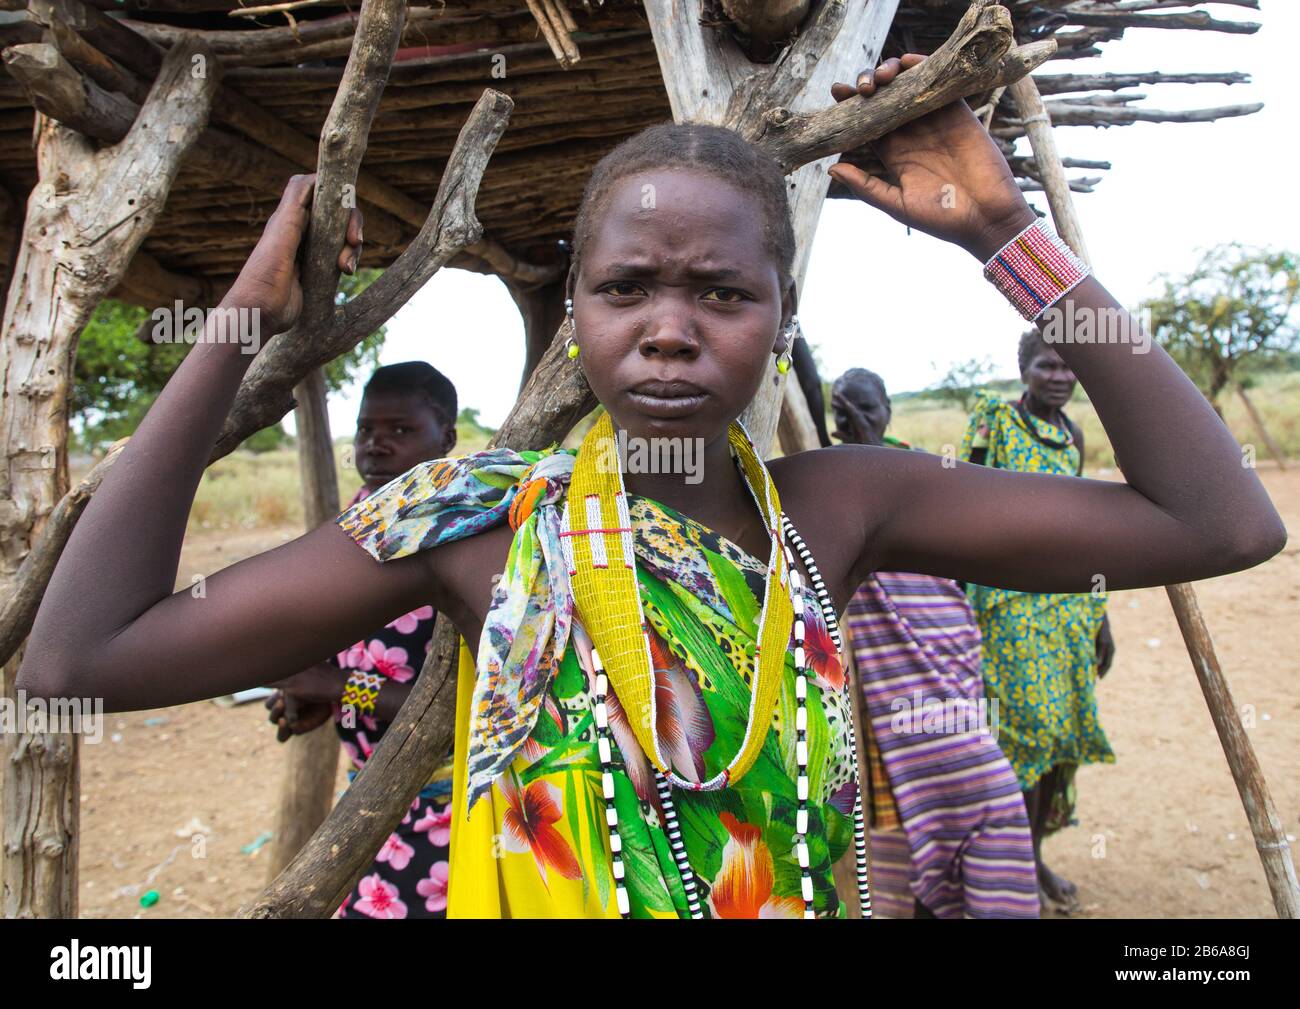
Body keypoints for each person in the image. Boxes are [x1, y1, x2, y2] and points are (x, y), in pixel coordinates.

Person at [20, 55, 1285, 919]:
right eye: (626, 288)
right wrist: (239, 322)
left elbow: (1219, 520)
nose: (669, 330)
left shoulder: (840, 510)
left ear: (781, 319)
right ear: (575, 314)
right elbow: (80, 662)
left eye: (722, 293)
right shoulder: (470, 525)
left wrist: (1010, 239)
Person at [832, 368, 1039, 919]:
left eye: (866, 409)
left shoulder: (914, 470)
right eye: (842, 410)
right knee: (899, 816)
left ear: (889, 411)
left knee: (987, 786)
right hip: (890, 681)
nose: (852, 420)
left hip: (948, 651)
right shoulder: (825, 482)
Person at [264, 361, 459, 919]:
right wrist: (316, 701)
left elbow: (455, 708)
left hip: (450, 809)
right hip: (368, 807)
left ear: (445, 438)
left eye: (401, 431)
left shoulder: (461, 540)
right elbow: (334, 658)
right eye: (366, 429)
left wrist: (335, 685)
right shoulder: (346, 533)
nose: (376, 444)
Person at [959, 330, 1117, 910]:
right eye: (1048, 366)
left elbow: (1079, 526)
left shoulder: (1072, 436)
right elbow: (957, 496)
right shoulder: (993, 420)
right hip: (1008, 605)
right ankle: (1014, 865)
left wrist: (1101, 620)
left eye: (1069, 368)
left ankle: (1037, 855)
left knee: (1059, 734)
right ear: (1024, 368)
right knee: (1021, 734)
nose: (1060, 377)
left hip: (1069, 605)